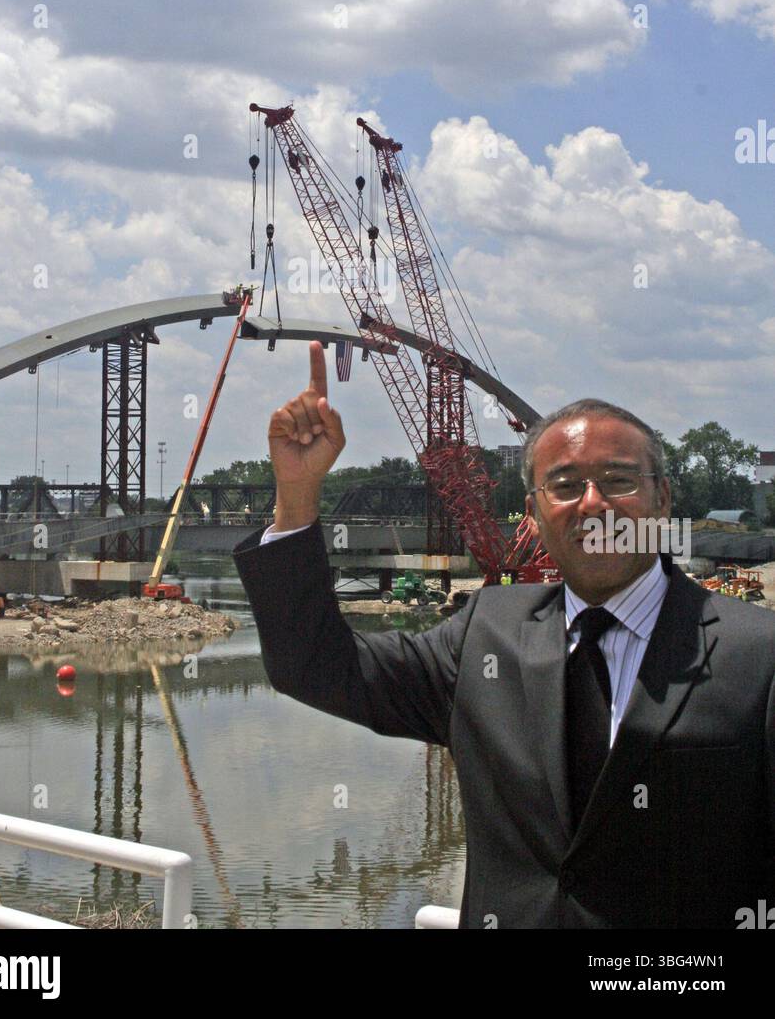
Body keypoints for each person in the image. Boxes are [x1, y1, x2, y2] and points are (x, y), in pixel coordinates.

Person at [233, 342, 775, 929]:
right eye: (564, 486)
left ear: (662, 499)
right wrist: (296, 496)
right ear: (535, 515)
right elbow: (314, 667)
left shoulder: (757, 653)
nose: (592, 504)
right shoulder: (484, 637)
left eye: (618, 481)